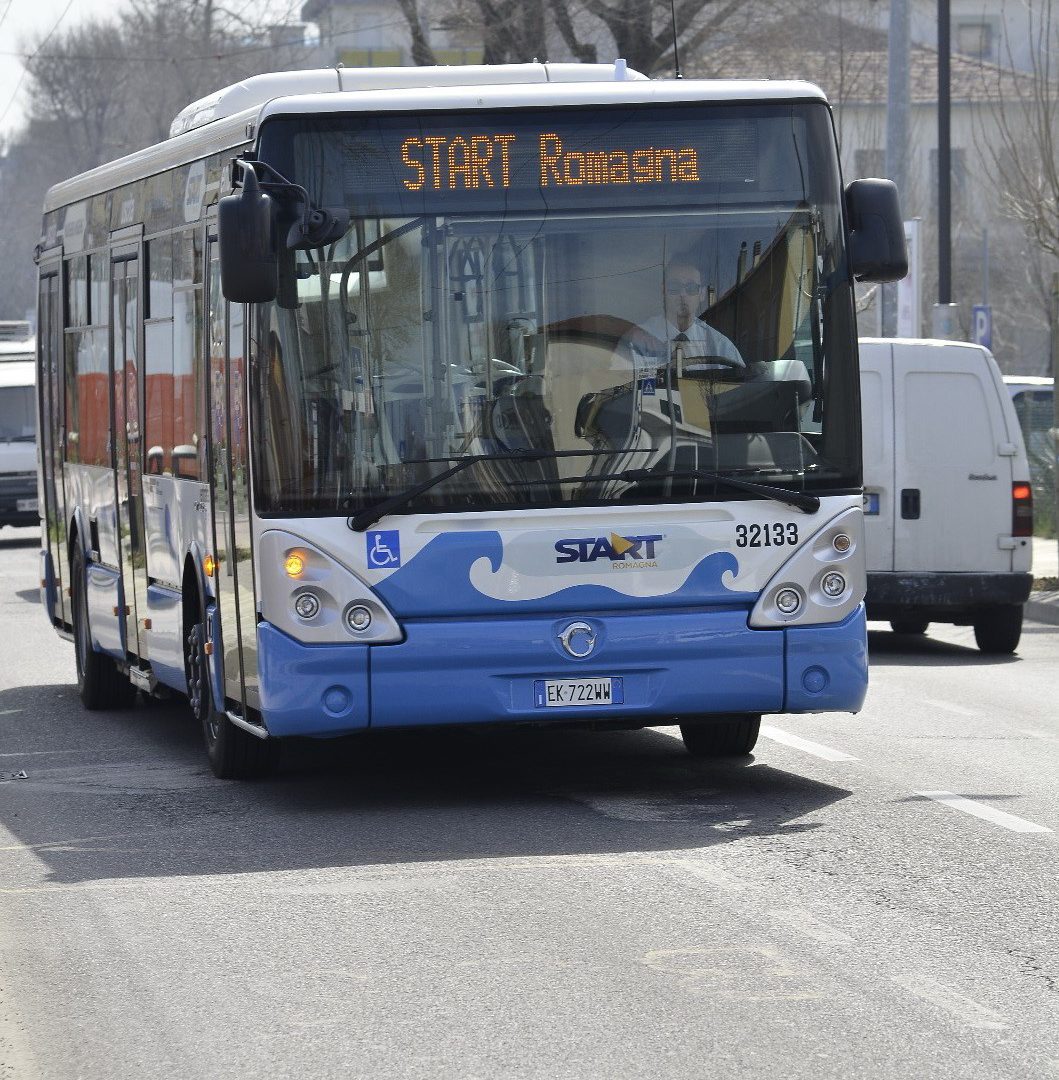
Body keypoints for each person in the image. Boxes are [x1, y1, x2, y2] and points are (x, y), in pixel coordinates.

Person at [617, 256, 743, 376]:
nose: (682, 294)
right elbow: (616, 389)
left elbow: (742, 390)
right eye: (674, 287)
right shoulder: (637, 341)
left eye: (691, 287)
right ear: (663, 290)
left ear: (703, 293)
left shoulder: (720, 347)